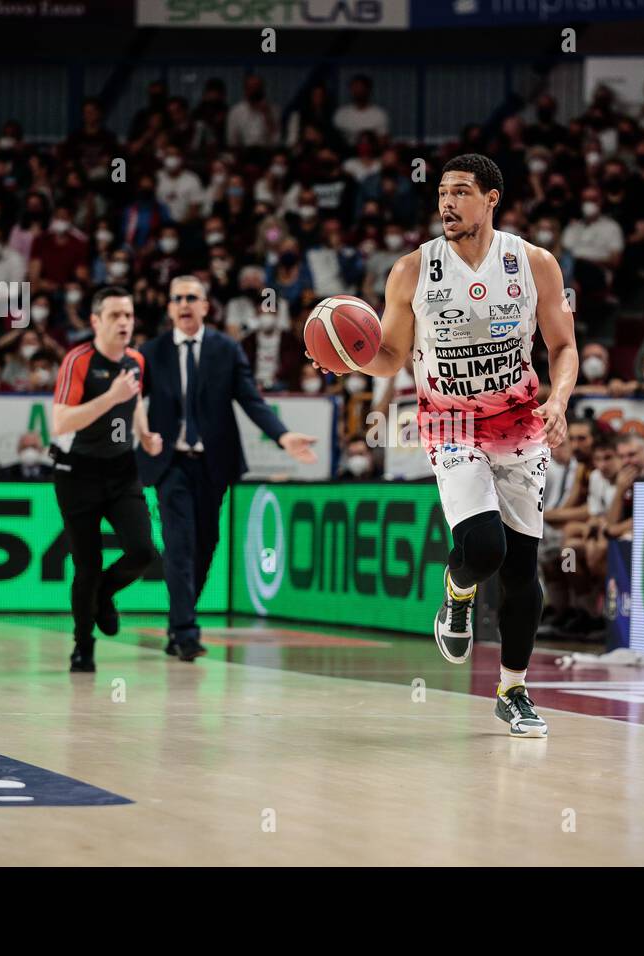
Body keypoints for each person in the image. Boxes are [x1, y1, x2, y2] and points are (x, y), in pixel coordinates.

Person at [310, 154, 577, 737]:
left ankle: (513, 689)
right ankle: (456, 592)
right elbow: (389, 356)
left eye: (461, 191)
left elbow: (562, 346)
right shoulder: (411, 271)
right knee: (483, 548)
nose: (447, 203)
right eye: (442, 193)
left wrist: (557, 402)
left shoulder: (534, 264)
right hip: (450, 422)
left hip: (519, 420)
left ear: (492, 198)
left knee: (523, 568)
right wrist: (348, 356)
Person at [137, 275, 316, 662]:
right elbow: (133, 399)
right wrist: (139, 433)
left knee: (206, 545)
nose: (184, 304)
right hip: (170, 465)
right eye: (177, 298)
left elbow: (251, 401)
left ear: (205, 307)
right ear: (169, 308)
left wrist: (283, 437)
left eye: (192, 298)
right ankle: (185, 631)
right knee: (179, 545)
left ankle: (178, 620)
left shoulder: (226, 349)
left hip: (212, 465)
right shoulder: (152, 352)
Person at [51, 286, 161, 673]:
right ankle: (83, 647)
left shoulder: (135, 361)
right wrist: (111, 397)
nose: (124, 323)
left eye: (128, 315)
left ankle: (102, 597)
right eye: (115, 315)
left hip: (121, 470)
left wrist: (145, 434)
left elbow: (135, 404)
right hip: (76, 472)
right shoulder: (78, 360)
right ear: (96, 321)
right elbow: (61, 420)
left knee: (143, 552)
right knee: (87, 565)